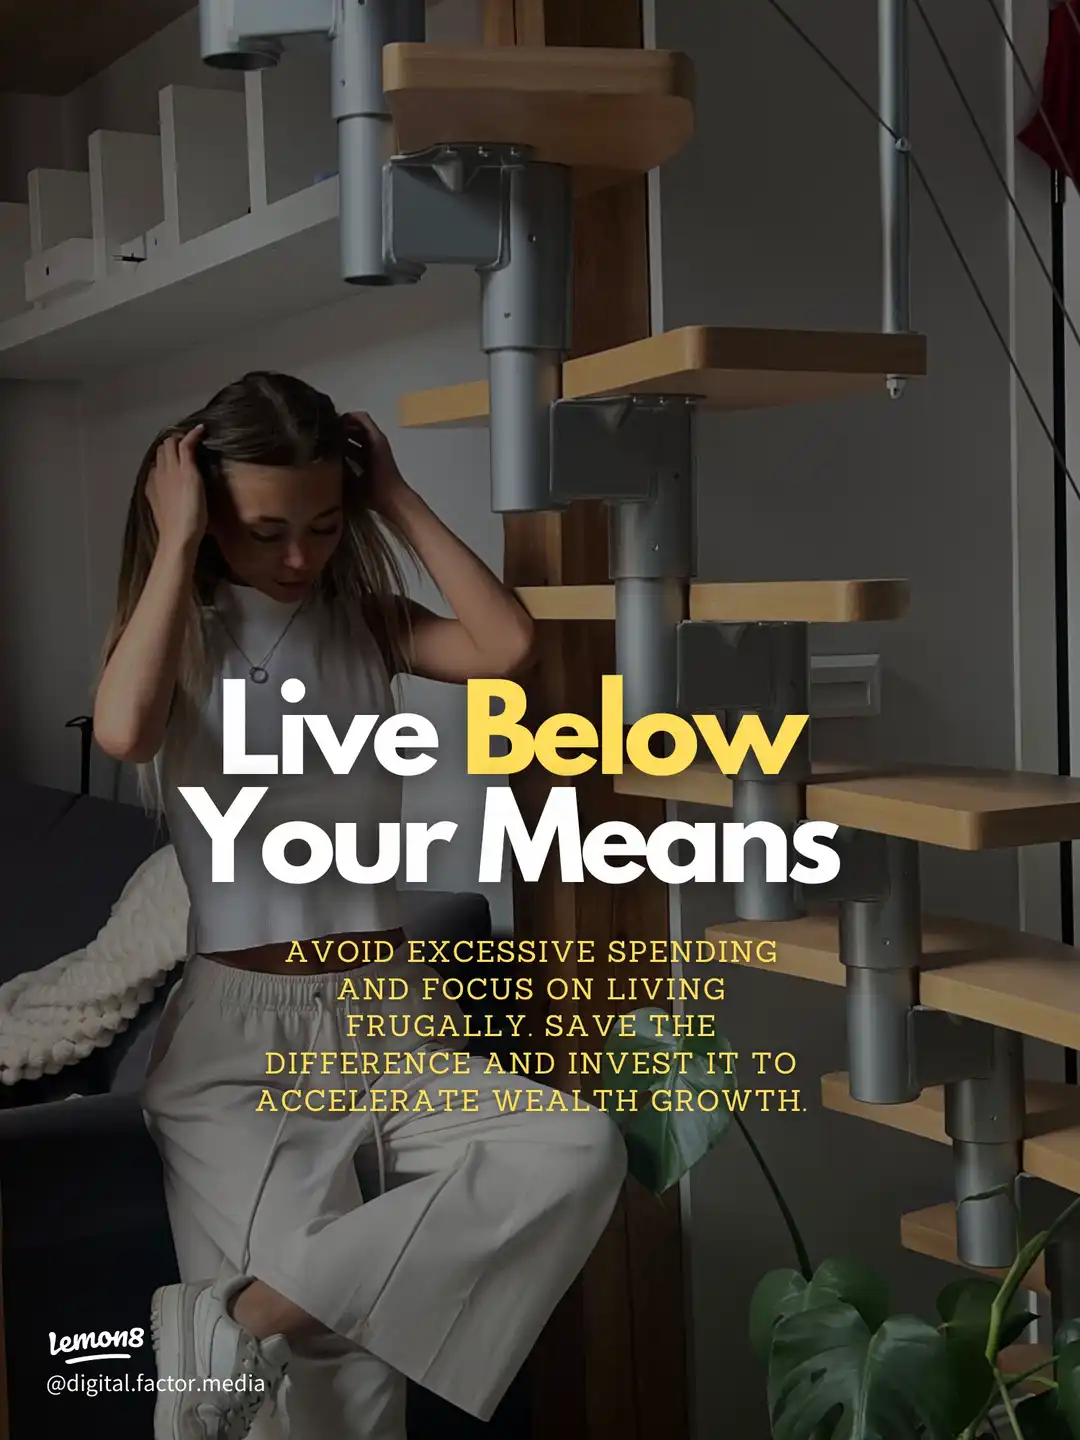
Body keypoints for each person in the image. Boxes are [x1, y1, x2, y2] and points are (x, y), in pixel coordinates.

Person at [93, 372, 628, 1440]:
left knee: (573, 1150)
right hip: (247, 1049)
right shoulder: (186, 637)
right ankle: (243, 1338)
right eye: (266, 531)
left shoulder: (366, 625)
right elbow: (123, 731)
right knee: (334, 1396)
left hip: (394, 1022)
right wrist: (175, 537)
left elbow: (505, 646)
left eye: (324, 526)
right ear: (204, 521)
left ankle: (233, 1318)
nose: (299, 557)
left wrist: (395, 500)